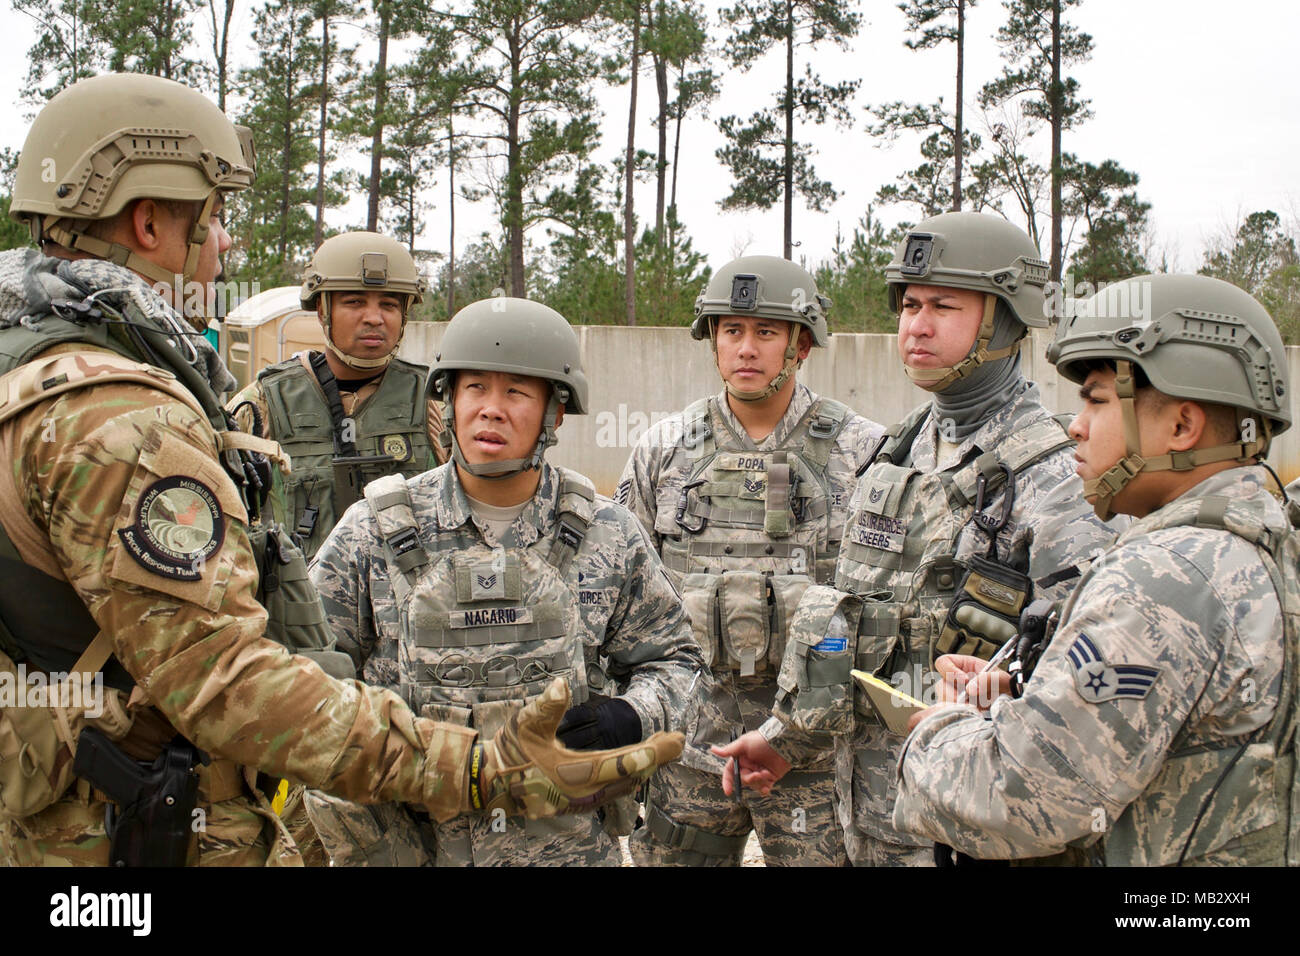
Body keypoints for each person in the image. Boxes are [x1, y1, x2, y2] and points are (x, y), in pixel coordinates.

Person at [0, 72, 682, 867]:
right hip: (135, 828)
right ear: (149, 221)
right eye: (213, 219)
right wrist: (475, 766)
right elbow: (228, 681)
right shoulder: (124, 419)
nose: (224, 247)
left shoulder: (39, 371)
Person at [716, 212, 1121, 866]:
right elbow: (851, 618)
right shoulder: (895, 452)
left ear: (1007, 322)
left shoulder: (1057, 478)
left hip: (970, 833)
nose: (917, 325)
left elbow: (1086, 694)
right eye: (909, 305)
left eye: (944, 306)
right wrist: (785, 737)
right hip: (868, 816)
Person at [892, 273, 1297, 866]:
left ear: (1182, 427)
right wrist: (1032, 694)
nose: (1075, 425)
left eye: (1098, 400)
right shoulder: (1262, 542)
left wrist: (940, 729)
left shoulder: (1163, 579)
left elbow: (1020, 801)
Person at [305, 295, 705, 866]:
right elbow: (312, 679)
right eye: (474, 388)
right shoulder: (372, 530)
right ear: (448, 400)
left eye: (516, 392)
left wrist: (634, 714)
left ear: (554, 412)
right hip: (415, 848)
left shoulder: (608, 534)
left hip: (567, 849)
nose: (491, 410)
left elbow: (679, 663)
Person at [621, 256, 881, 866]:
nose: (746, 348)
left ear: (803, 344)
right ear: (711, 338)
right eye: (731, 331)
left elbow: (873, 607)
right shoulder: (663, 449)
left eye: (766, 332)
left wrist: (800, 733)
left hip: (810, 744)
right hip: (691, 740)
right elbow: (627, 595)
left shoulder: (863, 451)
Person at [228, 231, 448, 564]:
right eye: (354, 302)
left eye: (388, 304)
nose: (374, 318)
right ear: (322, 310)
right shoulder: (263, 404)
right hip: (300, 606)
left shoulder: (433, 400)